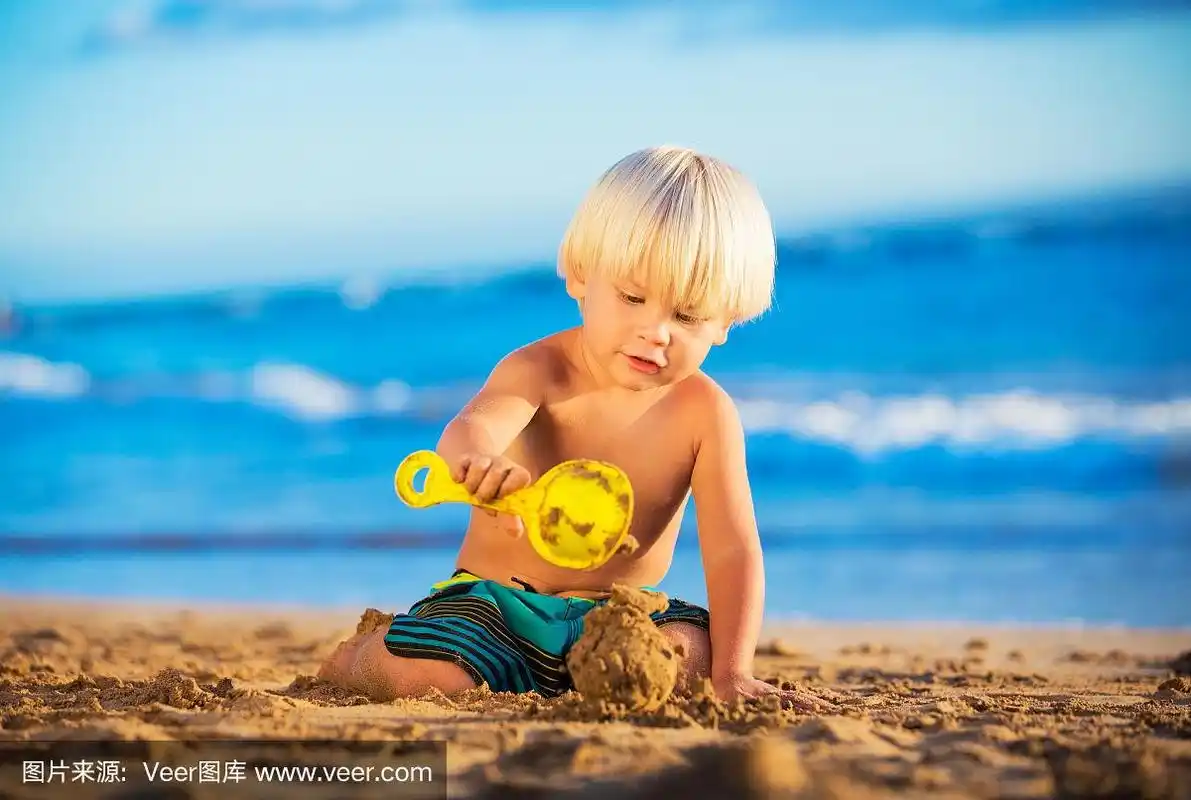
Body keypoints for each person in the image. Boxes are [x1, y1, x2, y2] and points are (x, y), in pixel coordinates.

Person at [319, 145, 826, 711]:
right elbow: (472, 428)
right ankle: (358, 656)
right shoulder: (539, 371)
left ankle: (594, 672)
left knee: (682, 659)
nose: (656, 332)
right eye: (632, 297)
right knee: (436, 679)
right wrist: (479, 463)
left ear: (726, 322)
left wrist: (733, 672)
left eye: (686, 316)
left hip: (619, 614)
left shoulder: (706, 414)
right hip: (494, 606)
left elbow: (732, 549)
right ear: (581, 276)